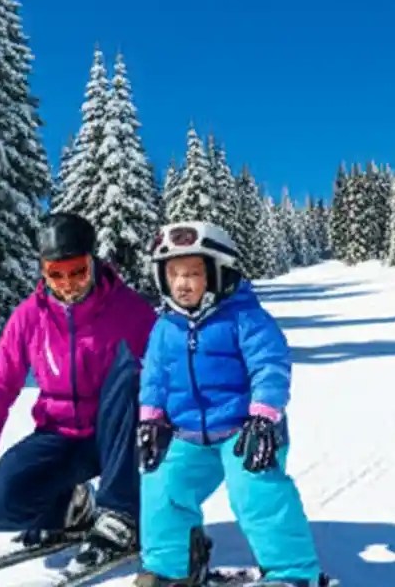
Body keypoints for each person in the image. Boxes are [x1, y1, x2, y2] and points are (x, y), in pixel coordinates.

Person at [132, 221, 333, 587]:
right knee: (161, 486)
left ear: (219, 273)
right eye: (173, 274)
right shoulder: (165, 327)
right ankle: (172, 569)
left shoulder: (245, 317)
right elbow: (154, 377)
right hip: (186, 432)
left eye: (193, 272)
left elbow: (269, 365)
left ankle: (293, 573)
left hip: (245, 431)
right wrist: (151, 419)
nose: (183, 283)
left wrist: (264, 415)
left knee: (255, 492)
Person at [0, 212, 157, 569]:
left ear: (93, 262)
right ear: (43, 270)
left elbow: (171, 376)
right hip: (59, 436)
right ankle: (71, 508)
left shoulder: (132, 311)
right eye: (55, 274)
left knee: (128, 374)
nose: (68, 284)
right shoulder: (29, 318)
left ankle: (121, 513)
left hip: (118, 436)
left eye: (78, 271)